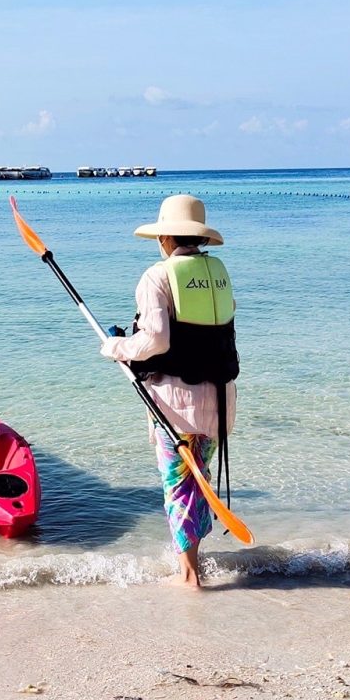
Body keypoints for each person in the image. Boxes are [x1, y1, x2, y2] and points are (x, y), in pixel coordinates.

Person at [99, 195, 238, 587]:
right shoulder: (220, 272)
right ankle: (193, 563)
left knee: (179, 486)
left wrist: (117, 348)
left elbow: (156, 340)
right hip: (219, 400)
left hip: (176, 408)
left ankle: (190, 576)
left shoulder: (157, 276)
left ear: (164, 239)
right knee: (197, 480)